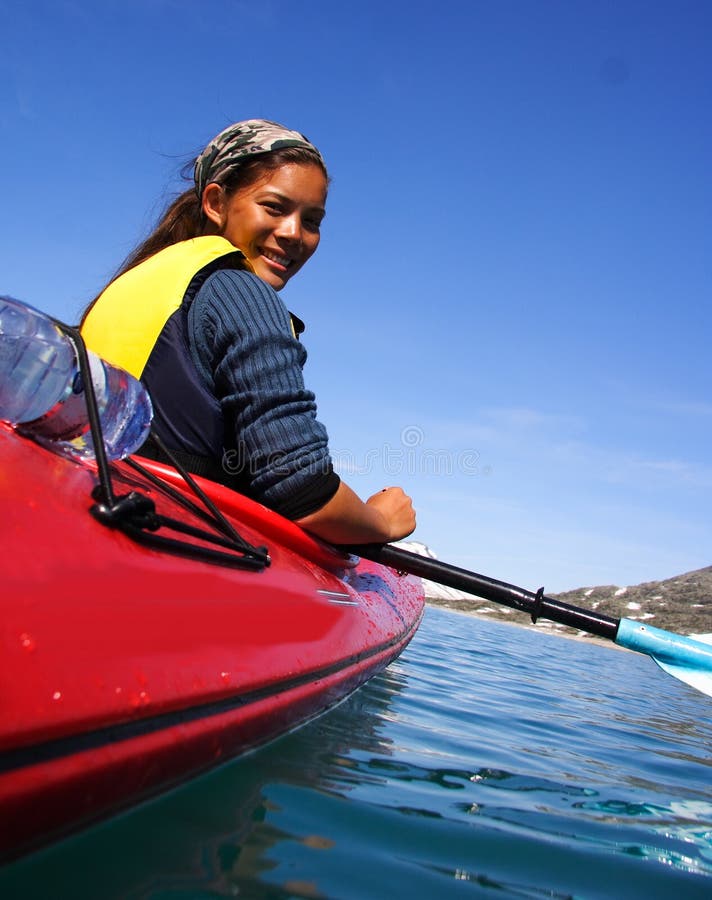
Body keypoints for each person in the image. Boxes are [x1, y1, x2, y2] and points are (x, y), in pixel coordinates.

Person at [81, 119, 415, 545]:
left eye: (312, 220)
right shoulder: (241, 292)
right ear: (217, 202)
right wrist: (381, 521)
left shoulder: (143, 279)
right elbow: (303, 490)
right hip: (156, 534)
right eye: (275, 208)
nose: (295, 233)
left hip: (96, 504)